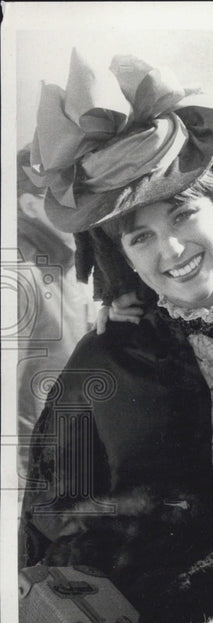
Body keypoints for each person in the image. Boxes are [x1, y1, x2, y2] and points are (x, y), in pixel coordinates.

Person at [19, 49, 213, 623]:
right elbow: (49, 522)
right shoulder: (104, 362)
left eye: (183, 214)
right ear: (122, 257)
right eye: (141, 238)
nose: (171, 251)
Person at [16, 146, 95, 479]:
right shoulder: (20, 277)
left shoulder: (75, 270)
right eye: (66, 194)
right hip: (34, 490)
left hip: (76, 474)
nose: (83, 203)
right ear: (31, 206)